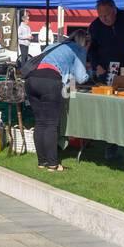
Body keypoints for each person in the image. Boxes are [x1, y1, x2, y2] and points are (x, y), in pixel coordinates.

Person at [26, 29, 90, 172]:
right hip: (50, 81)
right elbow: (80, 77)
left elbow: (69, 73)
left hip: (32, 79)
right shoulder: (79, 49)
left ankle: (42, 162)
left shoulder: (54, 45)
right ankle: (53, 164)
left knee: (40, 123)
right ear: (85, 42)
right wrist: (91, 72)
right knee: (50, 124)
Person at [86, 0, 124, 80]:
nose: (103, 19)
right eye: (100, 16)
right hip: (106, 70)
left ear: (114, 11)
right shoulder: (95, 26)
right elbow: (91, 49)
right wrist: (96, 65)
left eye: (106, 15)